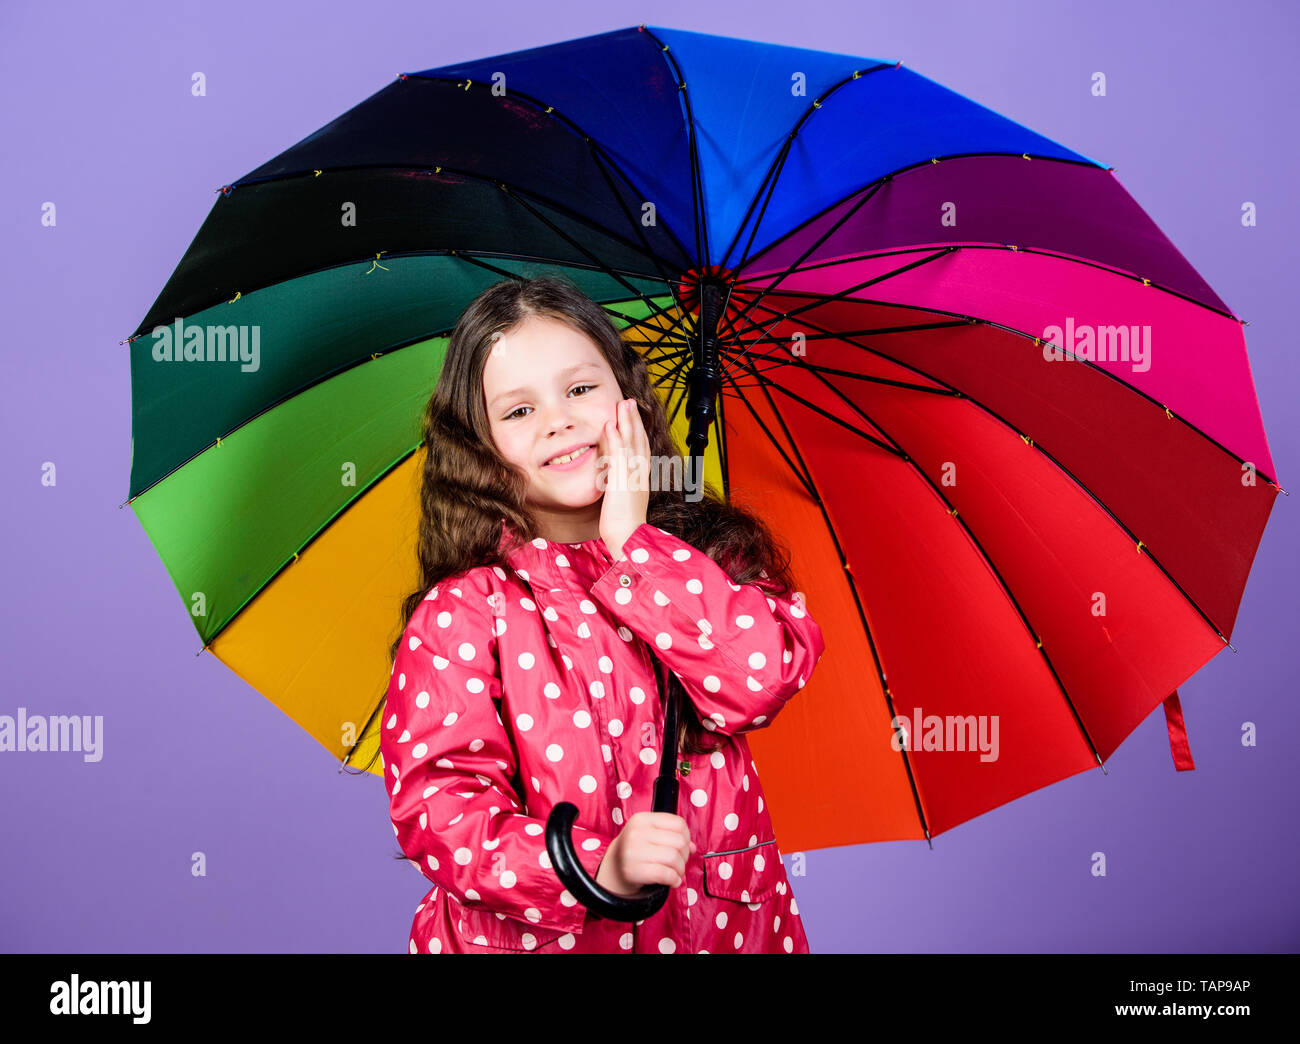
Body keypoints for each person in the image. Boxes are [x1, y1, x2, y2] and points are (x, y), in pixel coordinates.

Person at [379, 275, 826, 953]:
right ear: (480, 446)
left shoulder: (709, 560)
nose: (559, 419)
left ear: (628, 399)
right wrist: (594, 865)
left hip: (719, 933)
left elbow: (757, 679)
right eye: (519, 410)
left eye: (581, 389)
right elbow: (442, 810)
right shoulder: (466, 614)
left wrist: (634, 544)